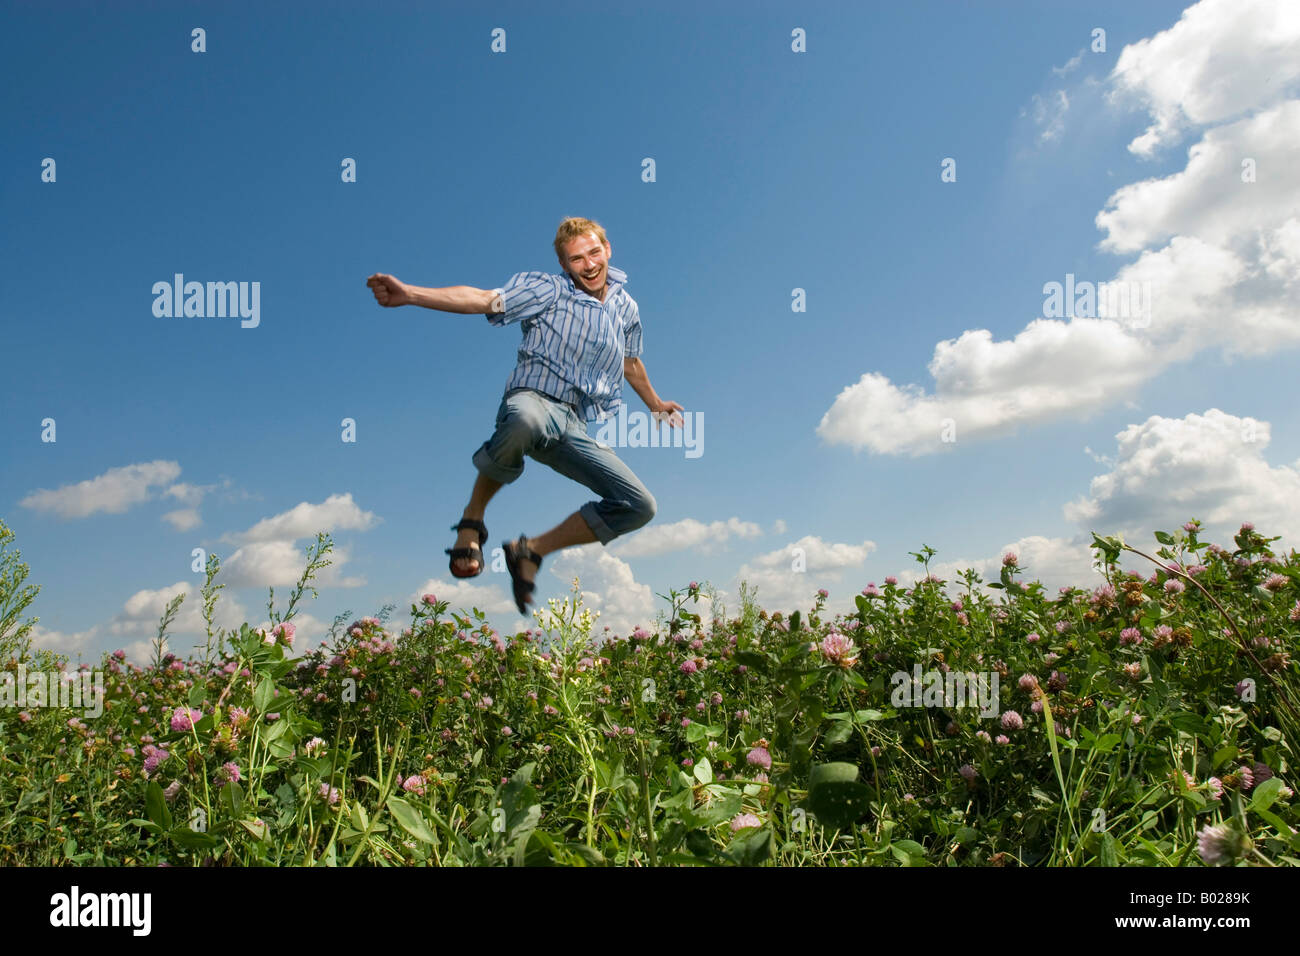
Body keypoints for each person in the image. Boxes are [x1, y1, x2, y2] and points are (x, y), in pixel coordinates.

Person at [366, 217, 683, 614]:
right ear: (565, 265)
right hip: (533, 399)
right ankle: (472, 521)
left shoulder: (626, 306)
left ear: (608, 249)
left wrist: (655, 404)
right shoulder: (547, 289)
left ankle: (529, 552)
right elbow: (483, 298)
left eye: (594, 253)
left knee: (639, 505)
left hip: (573, 426)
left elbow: (630, 361)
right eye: (576, 259)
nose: (588, 265)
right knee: (525, 422)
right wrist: (411, 293)